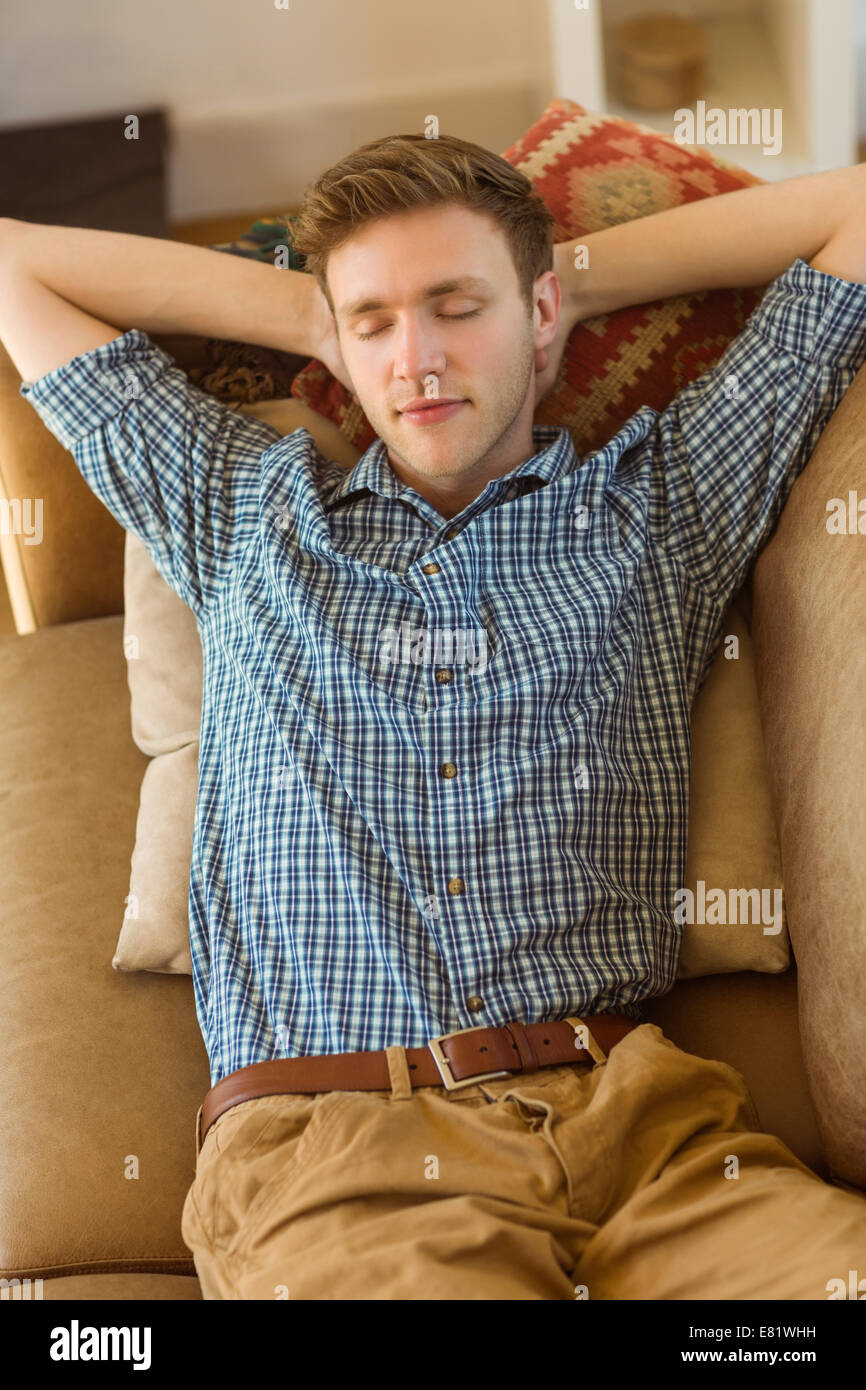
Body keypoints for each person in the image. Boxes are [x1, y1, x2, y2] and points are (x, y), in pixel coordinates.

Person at [2, 131, 865, 1300]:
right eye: (376, 324)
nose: (415, 358)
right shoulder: (243, 510)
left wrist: (563, 279)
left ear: (540, 311)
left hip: (648, 1138)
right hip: (341, 1152)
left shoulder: (663, 505)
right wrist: (315, 315)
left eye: (457, 306)